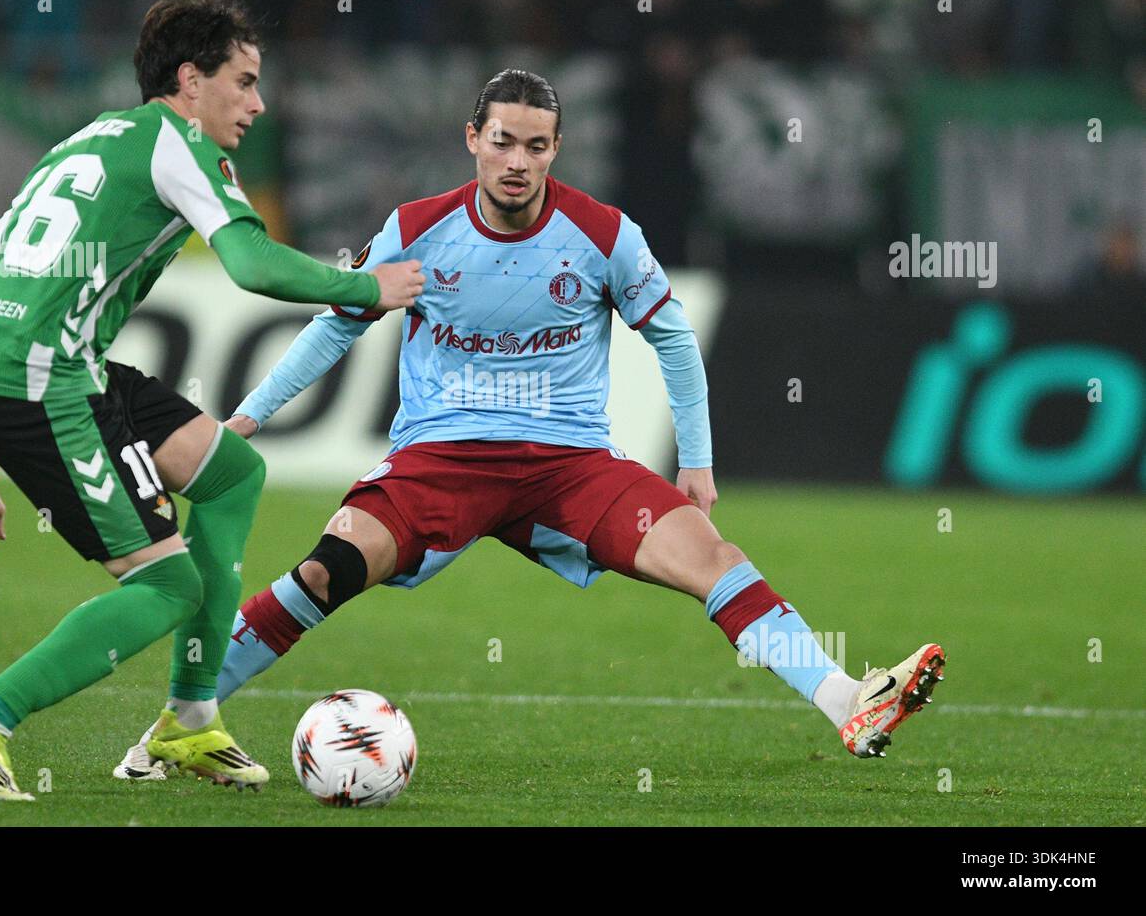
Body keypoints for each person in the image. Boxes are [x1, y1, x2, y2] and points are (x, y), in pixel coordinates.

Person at [116, 69, 944, 789]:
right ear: (472, 138)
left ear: (557, 149)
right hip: (441, 462)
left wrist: (696, 460)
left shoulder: (604, 235)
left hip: (570, 467)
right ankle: (179, 726)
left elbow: (674, 338)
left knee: (712, 560)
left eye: (538, 147)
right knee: (327, 571)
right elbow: (339, 323)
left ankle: (850, 702)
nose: (519, 162)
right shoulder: (416, 229)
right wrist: (253, 413)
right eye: (504, 142)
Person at [0, 0, 425, 801]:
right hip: (44, 381)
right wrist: (368, 284)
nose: (258, 105)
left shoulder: (85, 141)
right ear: (191, 80)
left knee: (231, 473)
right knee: (166, 586)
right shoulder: (179, 144)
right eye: (245, 81)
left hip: (25, 364)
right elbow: (252, 263)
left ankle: (191, 722)